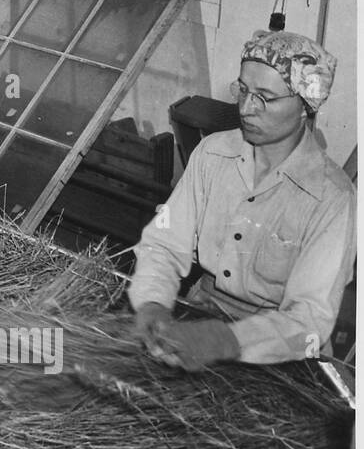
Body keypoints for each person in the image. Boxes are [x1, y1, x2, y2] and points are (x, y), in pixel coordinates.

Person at [130, 29, 355, 370]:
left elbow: (309, 320)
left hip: (280, 348)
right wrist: (152, 303)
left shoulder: (332, 198)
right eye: (244, 90)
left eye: (265, 96)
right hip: (200, 314)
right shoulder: (212, 153)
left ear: (305, 106)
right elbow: (164, 243)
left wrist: (227, 340)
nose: (247, 108)